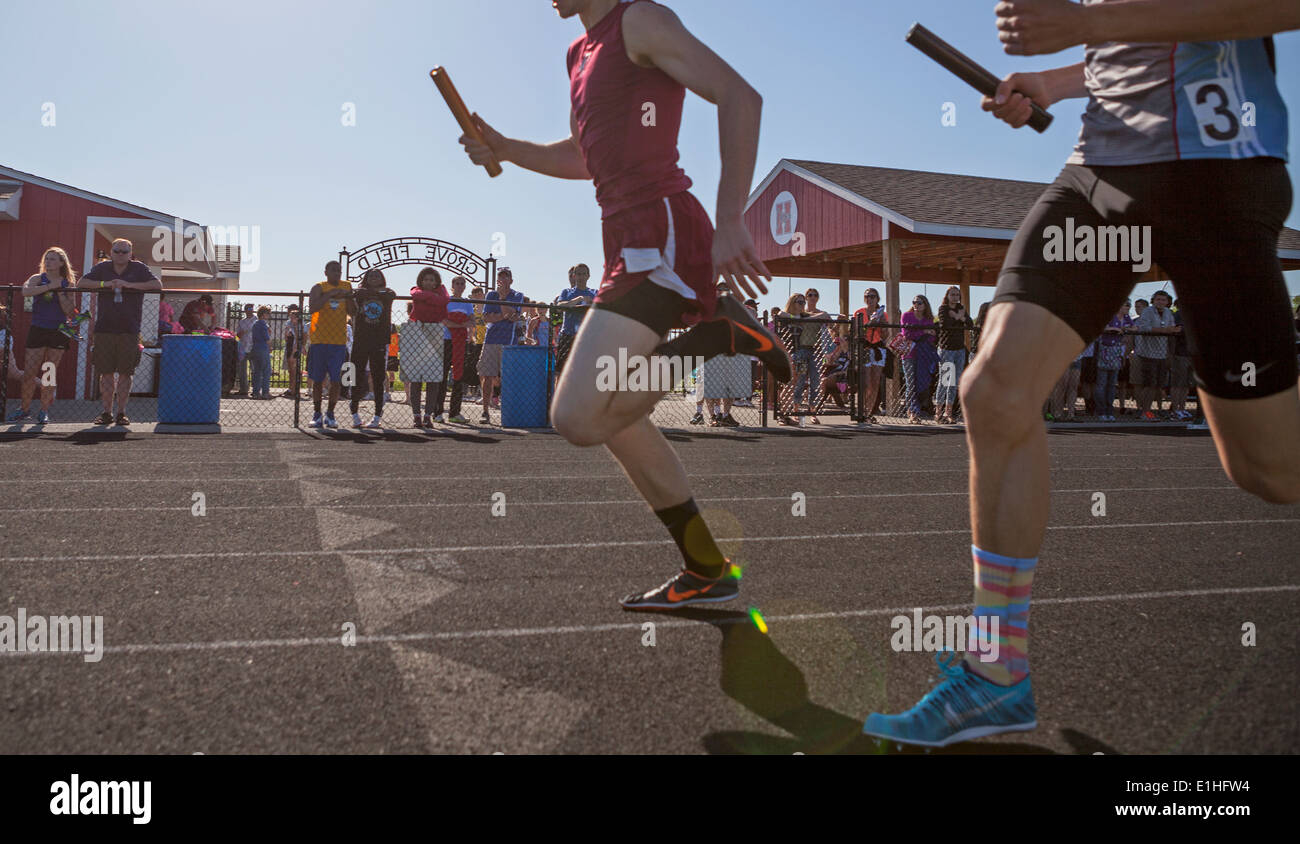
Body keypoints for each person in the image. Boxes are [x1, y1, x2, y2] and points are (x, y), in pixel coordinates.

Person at [864, 0, 1300, 748]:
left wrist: (1088, 26)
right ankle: (997, 674)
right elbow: (1121, 53)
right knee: (993, 390)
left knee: (1269, 471)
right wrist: (1052, 81)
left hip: (1216, 172)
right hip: (1099, 174)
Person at [458, 0, 789, 611]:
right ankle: (705, 566)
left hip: (659, 229)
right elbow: (586, 157)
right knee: (618, 417)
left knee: (579, 418)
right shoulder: (577, 53)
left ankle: (719, 337)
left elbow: (741, 95)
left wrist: (731, 217)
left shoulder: (640, 20)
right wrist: (505, 148)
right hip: (625, 241)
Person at [75, 238, 161, 426]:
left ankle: (121, 412)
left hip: (129, 329)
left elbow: (156, 285)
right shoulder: (103, 268)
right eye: (117, 251)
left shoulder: (138, 269)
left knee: (125, 372)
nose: (120, 254)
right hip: (104, 328)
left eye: (124, 251)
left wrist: (129, 285)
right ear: (111, 252)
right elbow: (82, 283)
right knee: (105, 372)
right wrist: (106, 284)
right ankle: (107, 412)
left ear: (131, 253)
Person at [9, 247, 79, 424]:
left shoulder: (68, 284)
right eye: (47, 259)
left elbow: (70, 311)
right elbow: (26, 291)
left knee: (49, 371)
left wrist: (60, 291)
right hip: (38, 329)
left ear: (62, 263)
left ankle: (44, 411)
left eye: (53, 259)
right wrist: (49, 286)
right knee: (30, 372)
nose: (48, 262)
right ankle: (24, 409)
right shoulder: (37, 278)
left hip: (59, 331)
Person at [306, 261, 354, 429]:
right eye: (333, 270)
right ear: (326, 272)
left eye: (339, 270)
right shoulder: (319, 287)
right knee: (317, 379)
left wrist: (349, 297)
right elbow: (312, 308)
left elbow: (353, 312)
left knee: (336, 380)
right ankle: (317, 413)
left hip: (338, 341)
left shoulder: (347, 286)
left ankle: (331, 414)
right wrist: (330, 294)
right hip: (319, 340)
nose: (337, 273)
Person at [349, 269, 397, 428]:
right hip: (361, 339)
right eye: (371, 276)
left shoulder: (387, 294)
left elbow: (391, 294)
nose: (374, 278)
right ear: (366, 279)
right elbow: (355, 294)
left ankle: (377, 414)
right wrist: (368, 291)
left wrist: (376, 291)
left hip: (378, 340)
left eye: (377, 276)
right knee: (357, 374)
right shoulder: (360, 294)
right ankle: (354, 411)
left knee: (378, 377)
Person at [405, 267, 449, 428]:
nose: (429, 282)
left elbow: (444, 301)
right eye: (426, 279)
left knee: (433, 379)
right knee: (416, 378)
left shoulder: (442, 291)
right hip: (417, 332)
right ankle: (416, 415)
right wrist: (433, 297)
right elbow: (415, 294)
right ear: (421, 281)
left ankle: (428, 415)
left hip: (435, 333)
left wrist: (428, 298)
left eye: (432, 279)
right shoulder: (416, 290)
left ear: (437, 281)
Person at [479, 267, 524, 425]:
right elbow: (486, 318)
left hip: (508, 341)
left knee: (509, 377)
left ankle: (511, 411)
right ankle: (485, 410)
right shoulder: (491, 295)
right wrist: (504, 314)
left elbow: (514, 318)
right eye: (501, 277)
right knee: (487, 376)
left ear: (511, 280)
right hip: (491, 340)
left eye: (506, 278)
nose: (503, 281)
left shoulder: (517, 295)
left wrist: (503, 300)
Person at [432, 275, 474, 424]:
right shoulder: (446, 301)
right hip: (445, 341)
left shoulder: (467, 303)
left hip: (460, 342)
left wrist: (457, 324)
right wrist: (459, 324)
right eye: (457, 283)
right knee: (442, 377)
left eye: (462, 283)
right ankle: (437, 412)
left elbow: (472, 321)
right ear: (452, 285)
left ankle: (454, 412)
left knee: (458, 376)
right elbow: (443, 321)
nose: (460, 285)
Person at [1133, 289, 1177, 420]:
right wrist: (1165, 330)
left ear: (1167, 302)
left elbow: (1172, 328)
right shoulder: (1147, 311)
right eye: (1158, 299)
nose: (1160, 302)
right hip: (1147, 353)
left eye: (1163, 300)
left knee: (1158, 385)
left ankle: (1152, 410)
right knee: (1149, 384)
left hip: (1162, 353)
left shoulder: (1168, 312)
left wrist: (1170, 330)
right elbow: (1144, 327)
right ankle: (1145, 411)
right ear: (1153, 300)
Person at [935, 286, 973, 424]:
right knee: (945, 380)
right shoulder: (943, 309)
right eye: (952, 294)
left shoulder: (961, 308)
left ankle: (948, 412)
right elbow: (945, 324)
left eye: (957, 294)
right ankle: (938, 412)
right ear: (947, 296)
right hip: (946, 349)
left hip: (959, 349)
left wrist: (959, 316)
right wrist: (959, 318)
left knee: (955, 382)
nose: (955, 297)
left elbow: (969, 324)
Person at [777, 293, 815, 425]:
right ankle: (782, 414)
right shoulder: (787, 316)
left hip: (801, 353)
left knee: (795, 384)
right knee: (788, 384)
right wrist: (796, 317)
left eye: (803, 302)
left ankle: (786, 413)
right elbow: (781, 314)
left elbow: (822, 316)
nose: (802, 305)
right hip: (788, 353)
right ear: (792, 302)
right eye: (799, 302)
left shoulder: (804, 317)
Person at [900, 295, 937, 424]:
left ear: (925, 305)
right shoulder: (906, 316)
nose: (917, 304)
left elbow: (932, 338)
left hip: (923, 355)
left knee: (922, 383)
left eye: (920, 302)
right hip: (909, 354)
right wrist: (924, 332)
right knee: (911, 384)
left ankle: (919, 409)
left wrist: (923, 333)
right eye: (914, 302)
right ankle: (912, 412)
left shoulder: (928, 319)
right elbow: (906, 334)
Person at [853, 288, 888, 426]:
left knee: (875, 383)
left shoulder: (883, 314)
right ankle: (860, 410)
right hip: (865, 348)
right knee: (866, 382)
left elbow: (885, 335)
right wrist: (869, 324)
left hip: (878, 348)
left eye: (872, 296)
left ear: (877, 299)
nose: (870, 299)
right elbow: (856, 331)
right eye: (867, 296)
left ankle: (869, 412)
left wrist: (881, 323)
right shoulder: (859, 312)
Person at [554, 263, 596, 374]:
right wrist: (577, 300)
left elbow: (603, 309)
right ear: (574, 276)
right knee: (561, 371)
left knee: (587, 370)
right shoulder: (566, 292)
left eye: (583, 274)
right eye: (578, 274)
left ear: (588, 276)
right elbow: (559, 307)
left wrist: (592, 303)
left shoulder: (594, 293)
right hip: (567, 335)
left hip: (586, 337)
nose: (581, 277)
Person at [1094, 303, 1131, 420]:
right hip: (1105, 351)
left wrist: (1125, 329)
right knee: (1101, 384)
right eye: (1126, 305)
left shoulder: (1126, 318)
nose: (1127, 308)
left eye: (1129, 306)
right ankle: (1101, 411)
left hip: (1117, 353)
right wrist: (1113, 329)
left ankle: (1110, 411)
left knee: (1112, 384)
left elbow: (1135, 327)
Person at [249, 306, 272, 399]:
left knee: (257, 371)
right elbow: (267, 338)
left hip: (255, 348)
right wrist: (270, 346)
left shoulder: (255, 324)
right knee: (266, 371)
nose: (269, 316)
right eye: (267, 314)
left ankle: (255, 392)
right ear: (263, 314)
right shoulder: (263, 324)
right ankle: (265, 392)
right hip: (263, 348)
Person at [282, 304, 304, 398]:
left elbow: (300, 337)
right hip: (289, 346)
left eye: (292, 317)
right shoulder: (288, 324)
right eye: (290, 317)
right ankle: (291, 388)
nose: (291, 318)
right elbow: (286, 337)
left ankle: (295, 389)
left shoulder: (300, 325)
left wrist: (296, 349)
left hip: (295, 347)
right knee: (291, 370)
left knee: (295, 369)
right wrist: (287, 331)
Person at [235, 302, 256, 396]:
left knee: (254, 369)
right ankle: (243, 389)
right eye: (247, 309)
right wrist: (239, 334)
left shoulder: (256, 320)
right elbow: (237, 336)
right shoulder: (241, 322)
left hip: (253, 347)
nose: (249, 311)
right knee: (242, 370)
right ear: (245, 310)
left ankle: (255, 389)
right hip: (243, 348)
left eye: (251, 309)